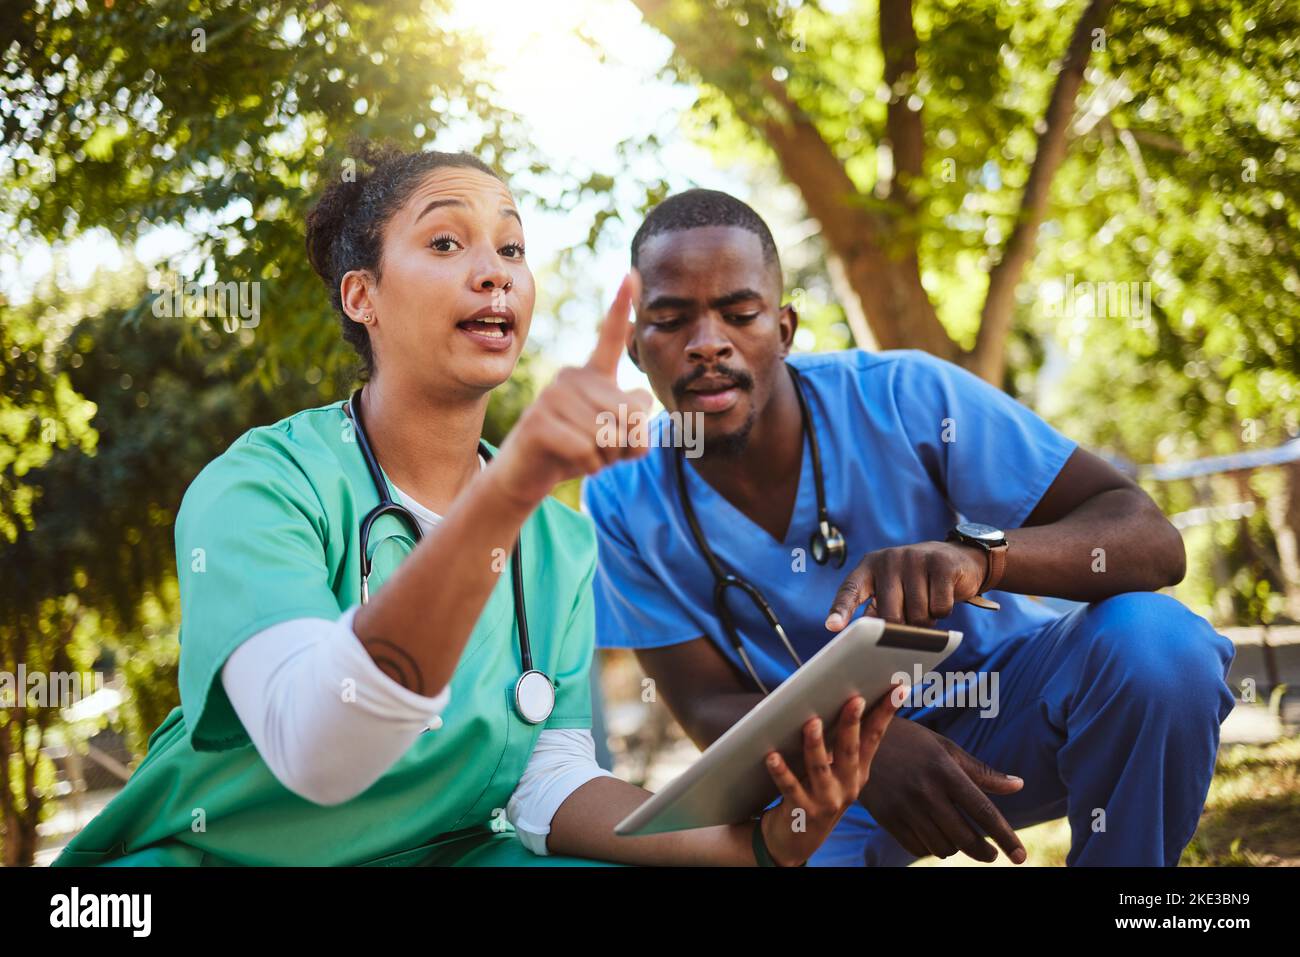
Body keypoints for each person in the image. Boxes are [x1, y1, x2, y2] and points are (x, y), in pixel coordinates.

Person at [53, 148, 897, 867]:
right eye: (446, 241)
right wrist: (513, 486)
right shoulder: (263, 486)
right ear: (363, 297)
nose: (493, 270)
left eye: (512, 247)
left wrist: (759, 843)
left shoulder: (559, 547)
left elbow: (548, 781)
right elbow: (317, 749)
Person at [581, 188, 1238, 867]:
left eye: (739, 313)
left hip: (1006, 715)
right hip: (820, 781)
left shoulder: (907, 395)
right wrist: (863, 743)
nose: (707, 344)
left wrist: (982, 557)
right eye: (670, 319)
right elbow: (703, 702)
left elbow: (1150, 539)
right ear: (634, 345)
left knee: (1157, 646)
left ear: (784, 327)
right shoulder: (621, 495)